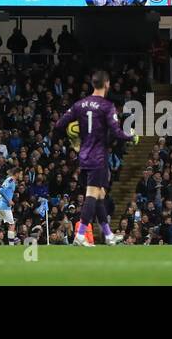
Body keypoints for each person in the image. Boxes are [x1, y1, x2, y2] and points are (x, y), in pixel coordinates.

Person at [52, 70, 137, 247]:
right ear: (106, 84)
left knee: (100, 194)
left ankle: (108, 235)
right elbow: (116, 132)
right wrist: (131, 136)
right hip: (98, 157)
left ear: (93, 84)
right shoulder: (107, 106)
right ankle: (81, 234)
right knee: (92, 194)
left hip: (84, 156)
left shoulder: (79, 104)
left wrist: (74, 138)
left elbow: (59, 124)